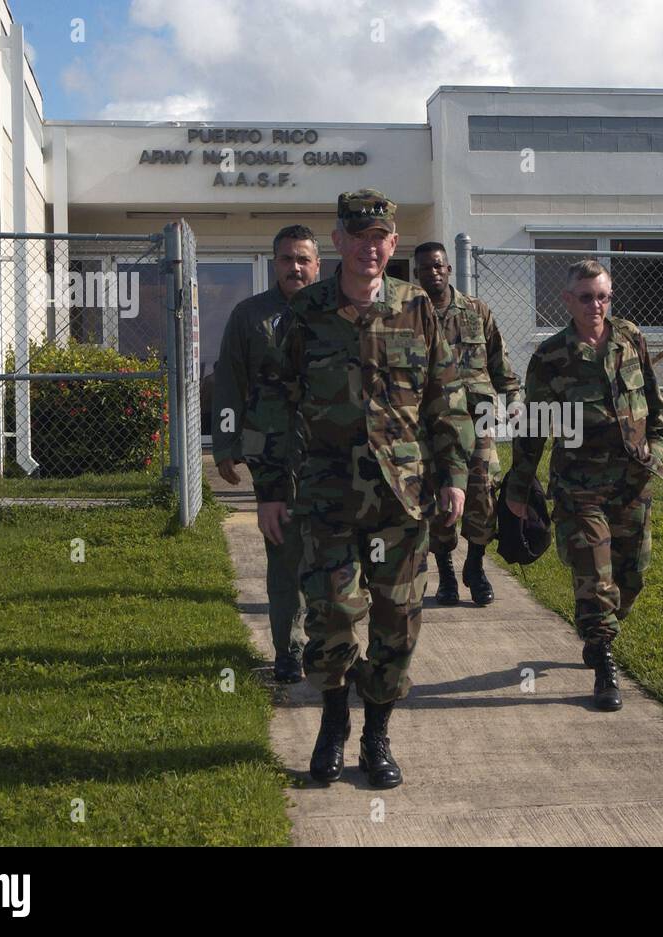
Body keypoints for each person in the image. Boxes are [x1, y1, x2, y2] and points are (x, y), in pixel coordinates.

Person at [248, 189, 474, 788]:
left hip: (403, 497)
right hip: (327, 495)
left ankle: (376, 733)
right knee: (331, 618)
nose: (370, 246)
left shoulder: (417, 307)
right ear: (339, 241)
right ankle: (331, 725)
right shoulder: (307, 312)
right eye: (359, 235)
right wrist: (270, 488)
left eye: (381, 237)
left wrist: (454, 476)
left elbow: (446, 400)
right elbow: (273, 399)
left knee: (397, 623)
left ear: (392, 244)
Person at [504, 259, 663, 712]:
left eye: (602, 296)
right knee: (595, 578)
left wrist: (657, 450)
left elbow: (655, 403)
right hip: (580, 487)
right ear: (567, 300)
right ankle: (603, 662)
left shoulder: (630, 338)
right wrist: (519, 490)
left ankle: (602, 632)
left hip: (633, 482)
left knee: (631, 575)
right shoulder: (551, 356)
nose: (595, 305)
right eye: (585, 297)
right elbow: (535, 428)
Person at [211, 224, 320, 683]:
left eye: (303, 259)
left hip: (329, 454)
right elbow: (228, 382)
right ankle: (288, 650)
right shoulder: (249, 315)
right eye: (286, 259)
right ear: (274, 262)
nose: (294, 267)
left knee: (332, 553)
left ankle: (327, 644)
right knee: (284, 554)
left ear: (317, 264)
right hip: (271, 453)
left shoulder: (337, 312)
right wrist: (225, 445)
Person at [413, 242, 522, 607]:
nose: (434, 273)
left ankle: (474, 566)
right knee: (441, 495)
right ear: (417, 274)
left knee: (482, 494)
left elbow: (499, 364)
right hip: (431, 422)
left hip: (479, 420)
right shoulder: (408, 314)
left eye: (439, 266)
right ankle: (445, 571)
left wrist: (515, 399)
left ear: (448, 269)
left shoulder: (477, 311)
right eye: (426, 268)